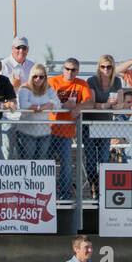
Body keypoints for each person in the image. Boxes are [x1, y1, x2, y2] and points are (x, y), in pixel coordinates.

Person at [47, 58, 91, 200]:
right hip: (48, 129)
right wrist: (64, 106)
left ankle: (64, 195)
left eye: (73, 70)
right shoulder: (52, 81)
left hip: (66, 132)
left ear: (77, 71)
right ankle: (46, 193)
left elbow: (90, 102)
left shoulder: (81, 84)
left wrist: (79, 107)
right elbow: (47, 101)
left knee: (66, 164)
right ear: (62, 69)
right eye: (67, 69)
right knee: (46, 163)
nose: (70, 72)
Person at [84, 55, 124, 197]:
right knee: (90, 160)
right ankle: (93, 187)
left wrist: (114, 105)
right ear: (98, 68)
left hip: (105, 124)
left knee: (104, 159)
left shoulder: (117, 81)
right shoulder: (92, 81)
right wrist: (106, 105)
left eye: (109, 67)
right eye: (103, 66)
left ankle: (101, 189)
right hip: (90, 123)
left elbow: (120, 105)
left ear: (113, 68)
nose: (106, 69)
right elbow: (92, 103)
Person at [14, 64, 58, 162]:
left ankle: (38, 178)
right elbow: (24, 106)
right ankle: (26, 177)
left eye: (41, 77)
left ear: (45, 78)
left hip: (44, 130)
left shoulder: (49, 88)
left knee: (41, 158)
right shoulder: (24, 88)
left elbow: (57, 104)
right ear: (31, 76)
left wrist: (38, 107)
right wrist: (44, 106)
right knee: (28, 157)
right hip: (27, 130)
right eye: (35, 76)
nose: (38, 79)